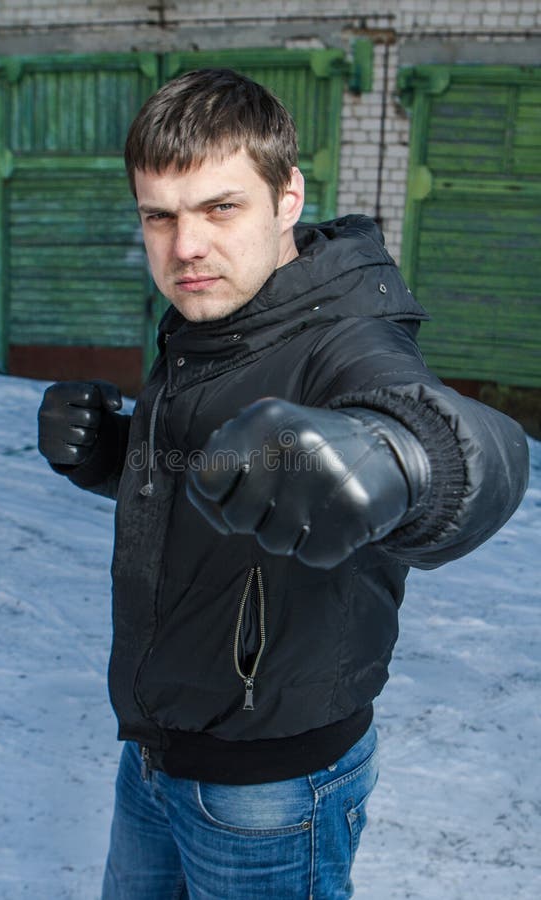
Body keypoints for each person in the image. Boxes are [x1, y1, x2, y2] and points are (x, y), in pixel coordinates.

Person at [37, 68, 529, 899]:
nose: (185, 246)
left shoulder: (345, 339)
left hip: (270, 790)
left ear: (287, 197)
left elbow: (484, 453)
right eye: (160, 215)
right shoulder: (211, 324)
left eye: (219, 207)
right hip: (154, 755)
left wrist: (396, 458)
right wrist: (111, 454)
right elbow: (215, 486)